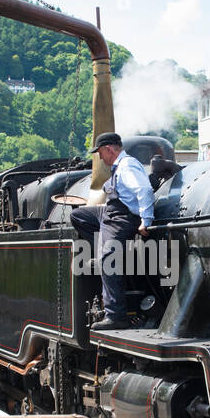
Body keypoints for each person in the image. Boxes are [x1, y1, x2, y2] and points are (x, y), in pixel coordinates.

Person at [70, 132, 155, 331]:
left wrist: (146, 220)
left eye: (100, 153)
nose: (100, 158)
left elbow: (144, 190)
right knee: (79, 216)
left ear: (109, 149)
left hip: (122, 217)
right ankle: (105, 248)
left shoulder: (127, 166)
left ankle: (116, 315)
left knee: (107, 259)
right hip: (108, 212)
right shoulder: (119, 167)